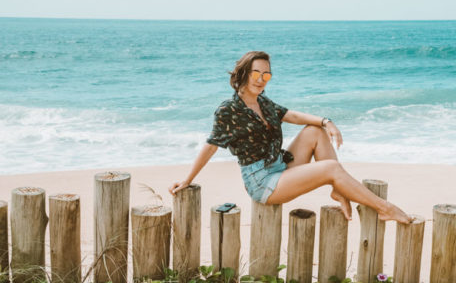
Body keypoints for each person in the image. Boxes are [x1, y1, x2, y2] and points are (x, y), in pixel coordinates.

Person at [169, 51, 412, 224]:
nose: (261, 79)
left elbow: (291, 115)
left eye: (267, 75)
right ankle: (385, 208)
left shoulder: (262, 102)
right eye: (256, 73)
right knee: (331, 168)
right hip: (263, 182)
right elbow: (211, 146)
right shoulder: (229, 110)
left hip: (280, 166)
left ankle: (339, 191)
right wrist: (187, 179)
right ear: (243, 73)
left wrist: (326, 121)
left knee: (314, 131)